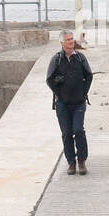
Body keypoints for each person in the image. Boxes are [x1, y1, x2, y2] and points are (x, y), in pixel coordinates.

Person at [45, 30, 93, 174]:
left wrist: (83, 93)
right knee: (66, 133)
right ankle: (71, 162)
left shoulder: (80, 58)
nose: (71, 42)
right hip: (62, 104)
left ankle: (82, 161)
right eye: (68, 40)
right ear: (61, 42)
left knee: (78, 130)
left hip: (79, 103)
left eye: (72, 39)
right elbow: (49, 80)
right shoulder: (56, 59)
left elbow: (89, 76)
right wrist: (59, 94)